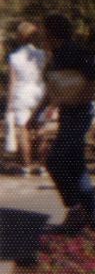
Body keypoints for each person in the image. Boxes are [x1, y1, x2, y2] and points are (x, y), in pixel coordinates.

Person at [35, 14, 95, 230]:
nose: (41, 36)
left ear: (51, 33)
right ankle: (90, 215)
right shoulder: (56, 55)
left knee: (55, 160)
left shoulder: (73, 52)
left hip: (78, 113)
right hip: (67, 112)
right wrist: (35, 113)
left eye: (44, 32)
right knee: (75, 162)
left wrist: (83, 98)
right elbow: (53, 89)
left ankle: (75, 209)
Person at [6, 22, 46, 175]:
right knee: (40, 129)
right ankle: (42, 166)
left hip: (21, 94)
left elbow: (12, 82)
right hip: (38, 93)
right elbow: (45, 76)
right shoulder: (42, 55)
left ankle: (26, 166)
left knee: (23, 130)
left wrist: (9, 104)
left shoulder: (14, 57)